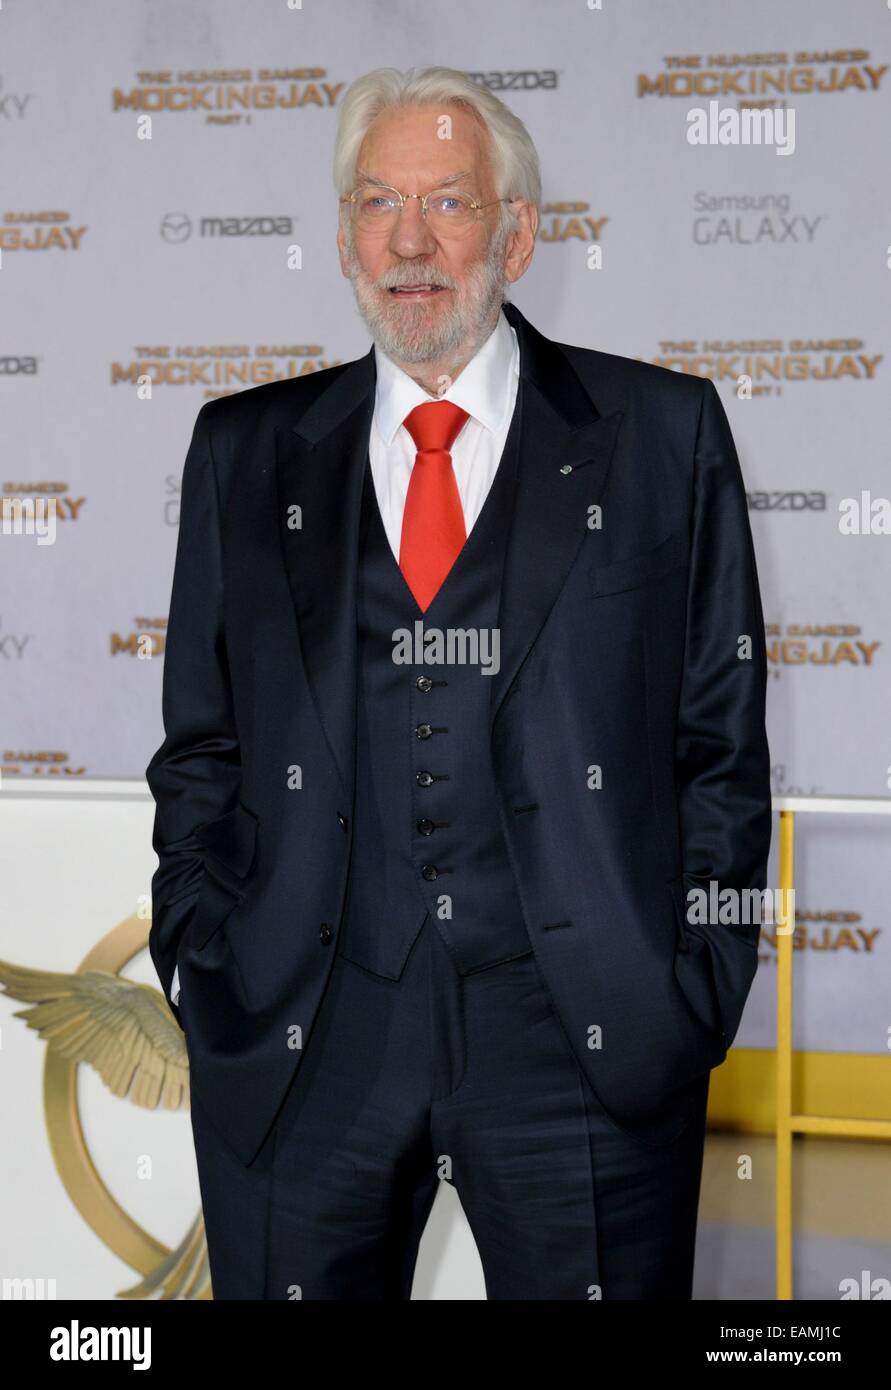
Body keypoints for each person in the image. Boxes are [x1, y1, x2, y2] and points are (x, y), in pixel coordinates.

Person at [146, 65, 772, 1300]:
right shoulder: (244, 449)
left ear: (519, 232)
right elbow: (200, 745)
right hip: (303, 1037)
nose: (412, 241)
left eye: (449, 201)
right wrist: (200, 950)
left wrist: (690, 988)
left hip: (583, 1047)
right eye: (378, 203)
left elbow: (721, 744)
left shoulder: (660, 436)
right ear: (341, 240)